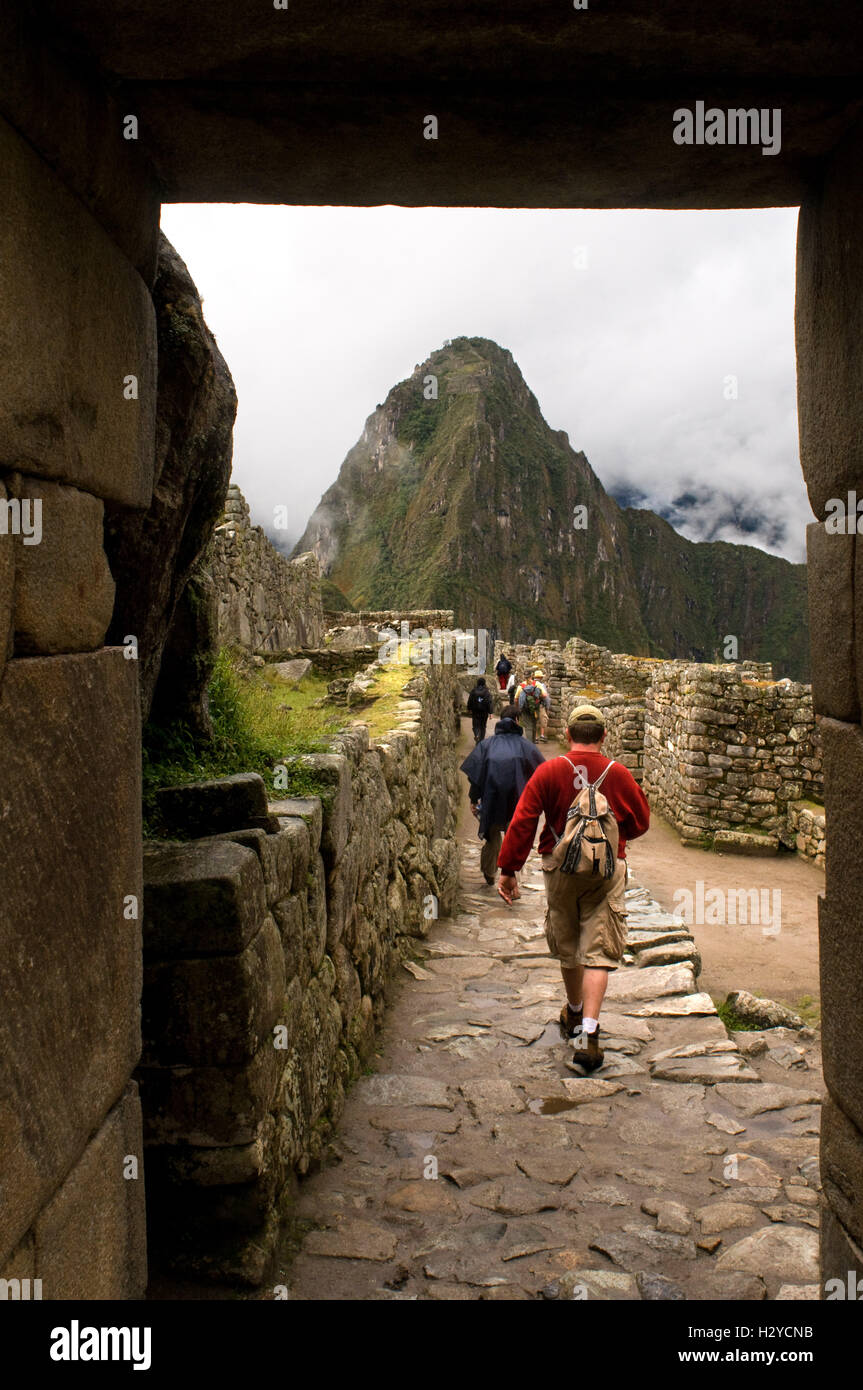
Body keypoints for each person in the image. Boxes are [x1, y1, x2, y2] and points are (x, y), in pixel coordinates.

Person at [497, 704, 650, 1072]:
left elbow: (524, 818)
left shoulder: (550, 771)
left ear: (568, 735)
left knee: (568, 944)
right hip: (606, 873)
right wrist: (614, 841)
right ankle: (590, 1036)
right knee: (599, 948)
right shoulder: (619, 774)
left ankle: (575, 1013)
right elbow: (641, 820)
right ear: (604, 736)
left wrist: (509, 868)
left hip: (560, 870)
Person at [460, 704, 545, 886]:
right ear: (517, 720)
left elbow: (476, 776)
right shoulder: (527, 747)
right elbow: (541, 775)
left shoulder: (486, 746)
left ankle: (489, 871)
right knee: (514, 839)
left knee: (492, 838)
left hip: (492, 800)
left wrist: (473, 800)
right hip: (518, 801)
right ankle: (512, 879)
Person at [515, 669, 551, 744]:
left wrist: (518, 708)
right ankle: (533, 742)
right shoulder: (537, 684)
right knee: (534, 723)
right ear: (532, 676)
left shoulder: (521, 686)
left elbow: (516, 699)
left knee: (528, 726)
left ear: (524, 676)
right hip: (535, 707)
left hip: (525, 709)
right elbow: (544, 695)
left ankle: (529, 744)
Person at [466, 676, 494, 743]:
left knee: (475, 725)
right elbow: (489, 702)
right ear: (484, 683)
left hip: (475, 711)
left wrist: (469, 709)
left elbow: (470, 700)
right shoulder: (487, 692)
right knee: (483, 726)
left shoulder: (473, 691)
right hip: (484, 712)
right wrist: (491, 712)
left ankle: (477, 734)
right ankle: (481, 741)